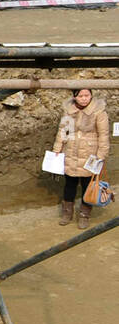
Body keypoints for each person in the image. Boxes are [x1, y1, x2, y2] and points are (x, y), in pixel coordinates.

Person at [52, 88, 110, 229]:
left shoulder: (98, 112)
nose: (84, 98)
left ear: (91, 96)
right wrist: (57, 150)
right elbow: (63, 132)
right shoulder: (69, 111)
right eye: (81, 96)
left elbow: (103, 135)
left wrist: (101, 156)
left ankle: (84, 215)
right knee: (70, 184)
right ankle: (67, 213)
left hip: (90, 154)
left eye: (87, 95)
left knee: (87, 186)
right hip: (71, 152)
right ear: (75, 97)